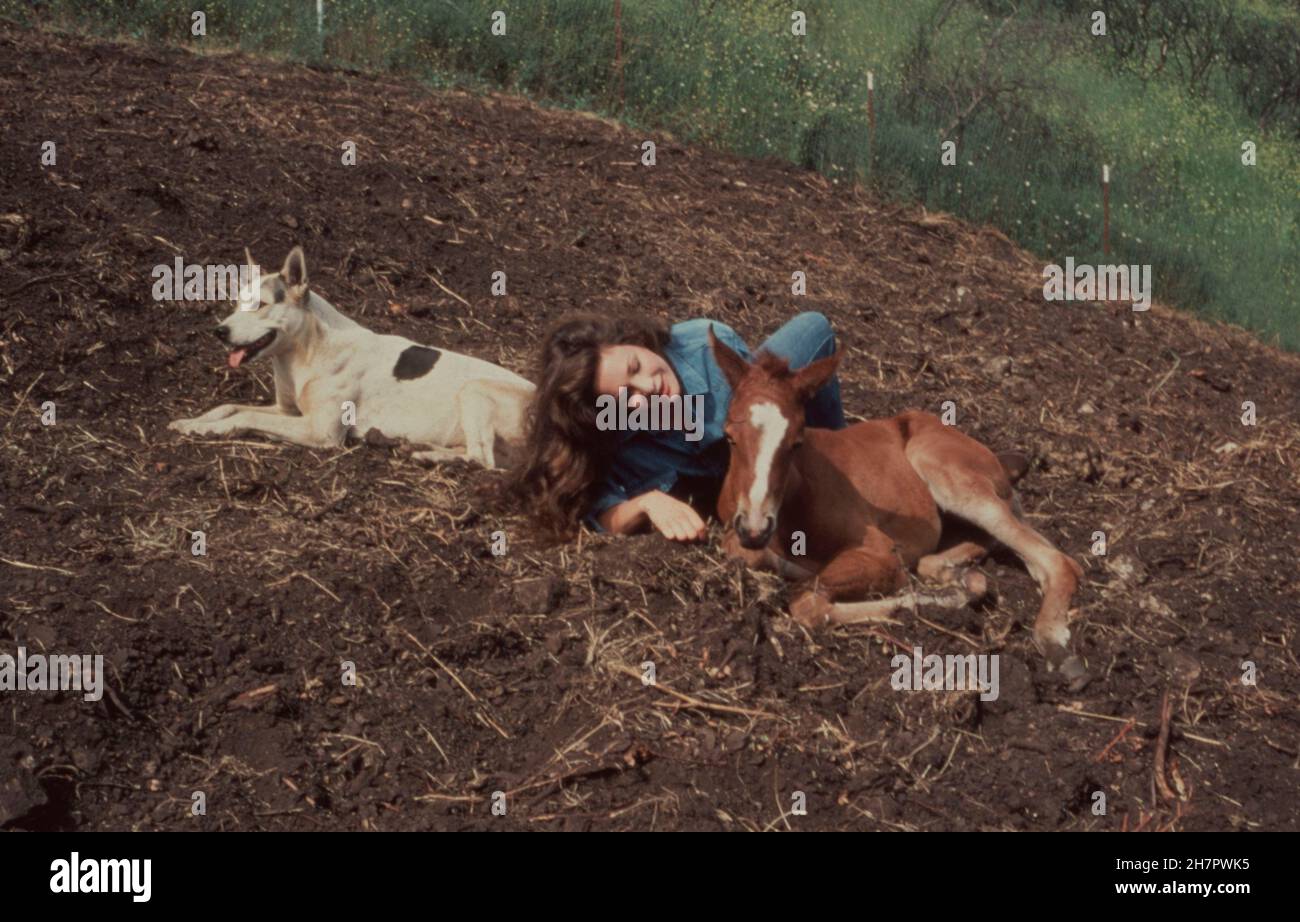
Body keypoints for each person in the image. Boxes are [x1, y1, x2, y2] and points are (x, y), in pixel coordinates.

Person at [511, 310, 846, 541]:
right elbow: (601, 512)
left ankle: (838, 459)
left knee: (812, 327)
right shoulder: (615, 443)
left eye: (635, 365)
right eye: (626, 396)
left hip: (763, 456)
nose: (648, 385)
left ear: (635, 339)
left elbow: (760, 405)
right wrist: (647, 502)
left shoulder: (704, 345)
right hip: (725, 494)